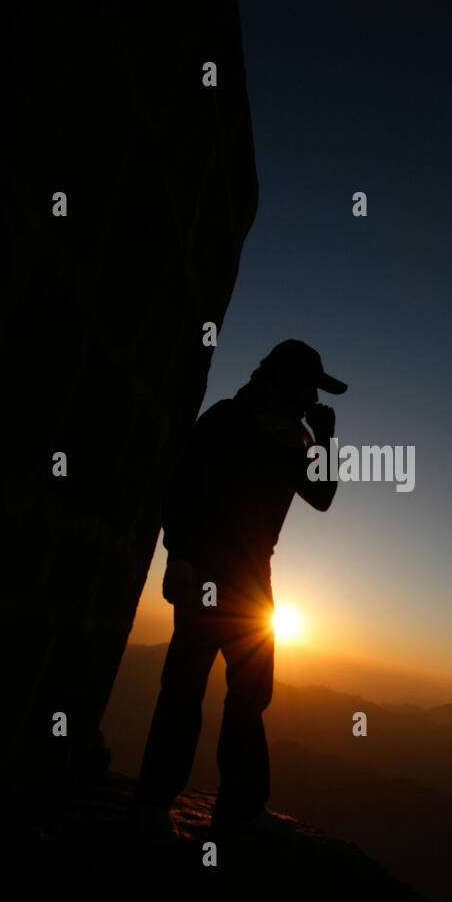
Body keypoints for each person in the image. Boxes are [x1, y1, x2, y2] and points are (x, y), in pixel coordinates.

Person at [126, 340, 346, 842]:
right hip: (206, 575)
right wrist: (179, 555)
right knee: (185, 689)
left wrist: (328, 440)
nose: (314, 395)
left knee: (248, 695)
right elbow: (181, 486)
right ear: (286, 377)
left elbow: (322, 495)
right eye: (310, 384)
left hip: (254, 586)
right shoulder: (228, 418)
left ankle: (239, 809)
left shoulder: (293, 439)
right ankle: (153, 807)